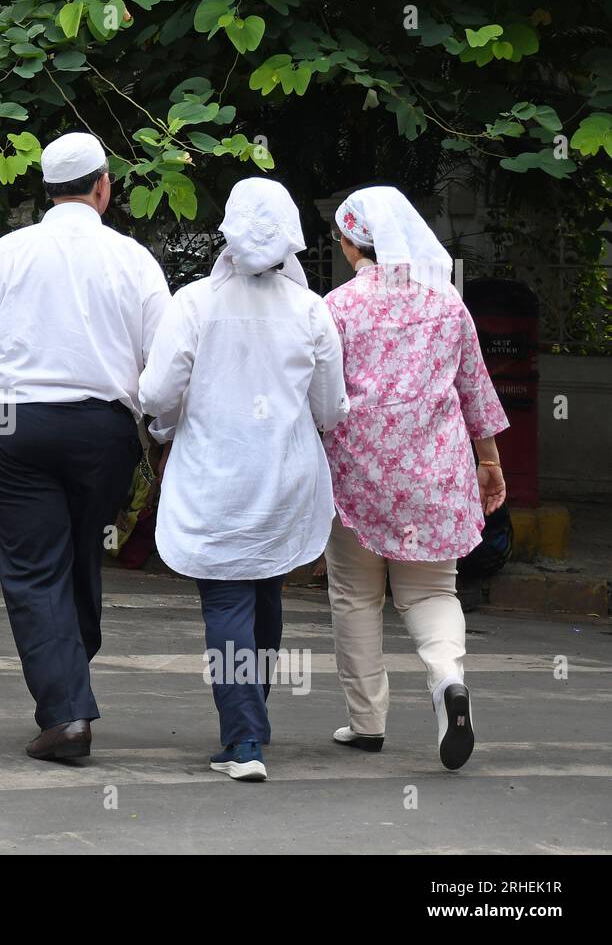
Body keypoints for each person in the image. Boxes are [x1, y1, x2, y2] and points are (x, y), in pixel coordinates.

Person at [0, 131, 170, 761]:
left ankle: (66, 709)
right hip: (105, 430)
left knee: (36, 568)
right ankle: (67, 691)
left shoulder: (8, 252)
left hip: (16, 425)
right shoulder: (135, 259)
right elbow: (165, 359)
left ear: (47, 191)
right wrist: (160, 430)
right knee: (83, 557)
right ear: (103, 187)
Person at [140, 178, 349, 782]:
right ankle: (251, 724)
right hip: (286, 475)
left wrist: (166, 422)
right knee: (264, 589)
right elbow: (331, 409)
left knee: (228, 596)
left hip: (214, 476)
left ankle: (244, 741)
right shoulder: (311, 311)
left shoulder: (194, 304)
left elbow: (156, 394)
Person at [323, 185, 508, 771]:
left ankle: (367, 722)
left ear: (355, 244)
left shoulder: (335, 308)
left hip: (357, 477)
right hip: (435, 476)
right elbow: (475, 390)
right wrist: (490, 461)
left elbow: (321, 398)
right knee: (431, 592)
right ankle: (447, 679)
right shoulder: (447, 303)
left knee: (355, 596)